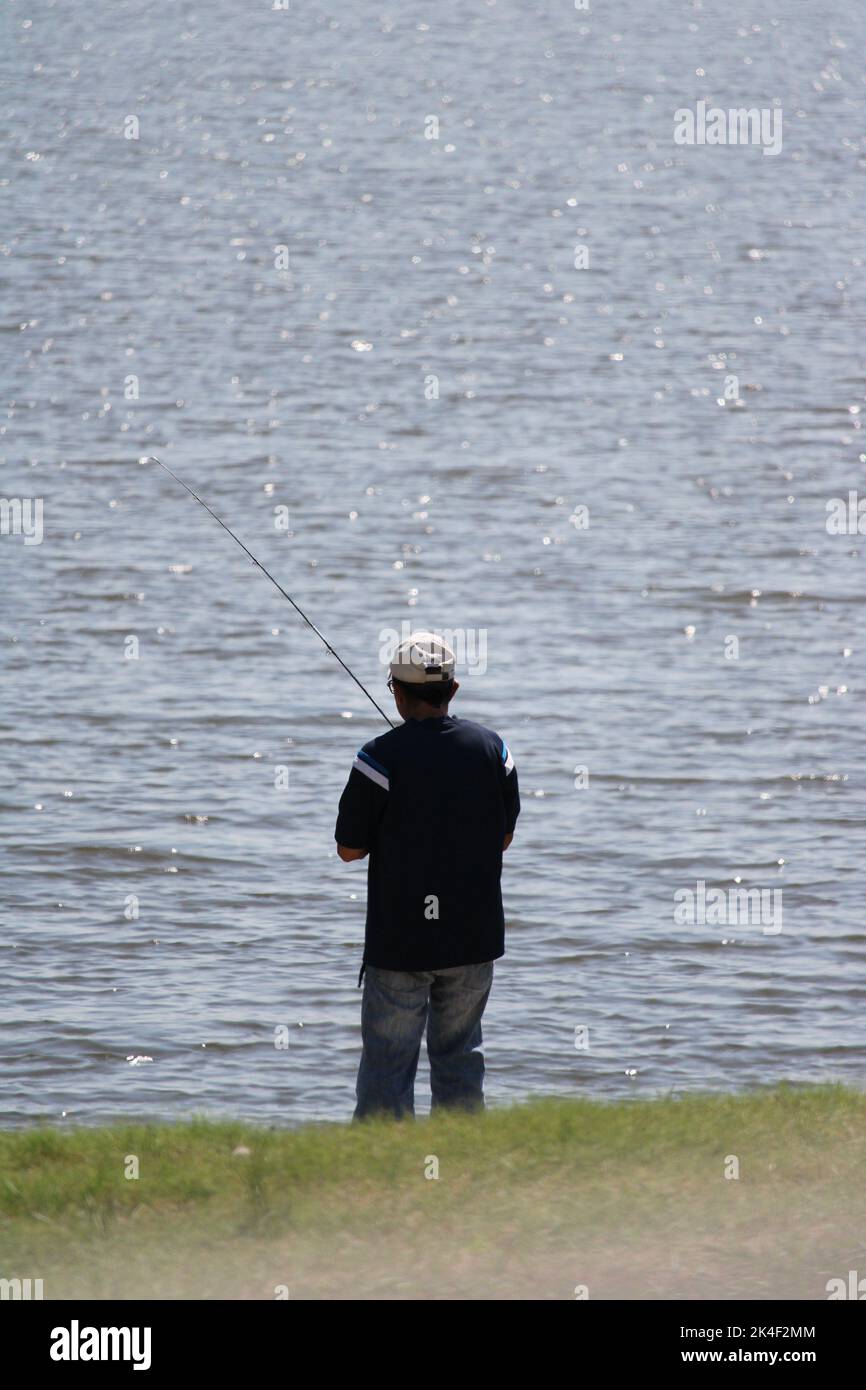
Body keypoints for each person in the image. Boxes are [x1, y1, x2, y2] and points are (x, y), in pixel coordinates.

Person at [334, 631, 520, 1119]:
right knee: (460, 1058)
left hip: (401, 943)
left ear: (394, 689)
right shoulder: (493, 750)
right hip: (473, 940)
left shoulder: (377, 758)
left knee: (388, 1067)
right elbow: (503, 837)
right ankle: (458, 1171)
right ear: (453, 691)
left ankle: (383, 1174)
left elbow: (349, 850)